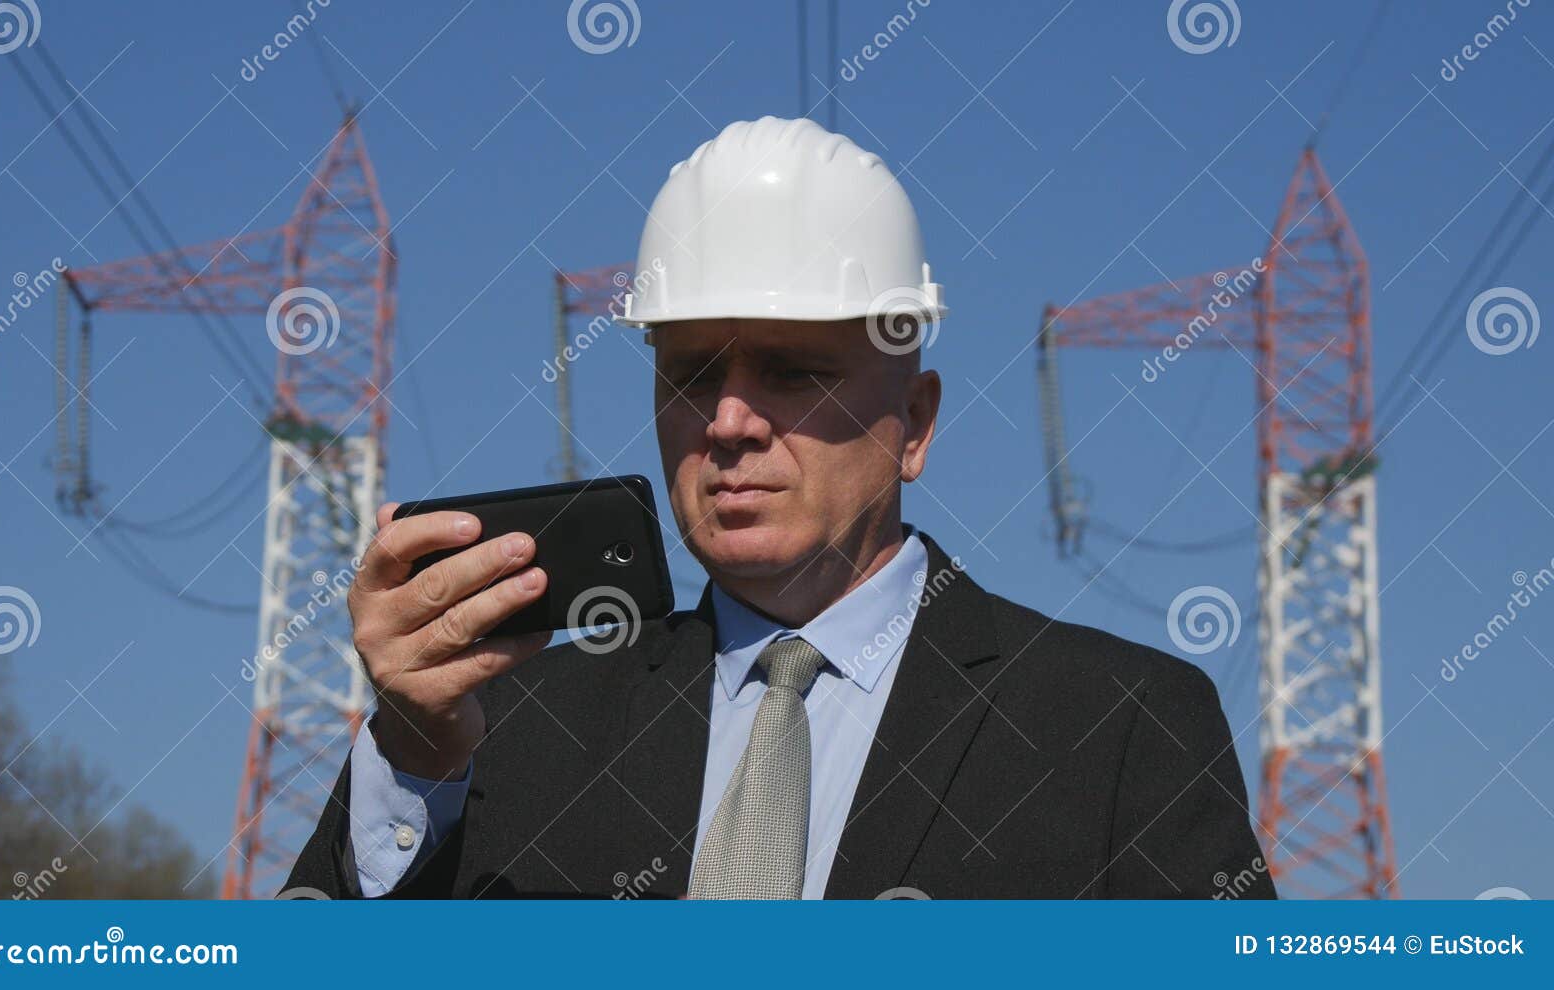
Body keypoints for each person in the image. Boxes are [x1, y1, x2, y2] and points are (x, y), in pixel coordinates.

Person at [286, 115, 1274, 899]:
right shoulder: (497, 724)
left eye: (793, 373)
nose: (726, 422)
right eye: (688, 375)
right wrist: (412, 759)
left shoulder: (1119, 727)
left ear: (915, 425)